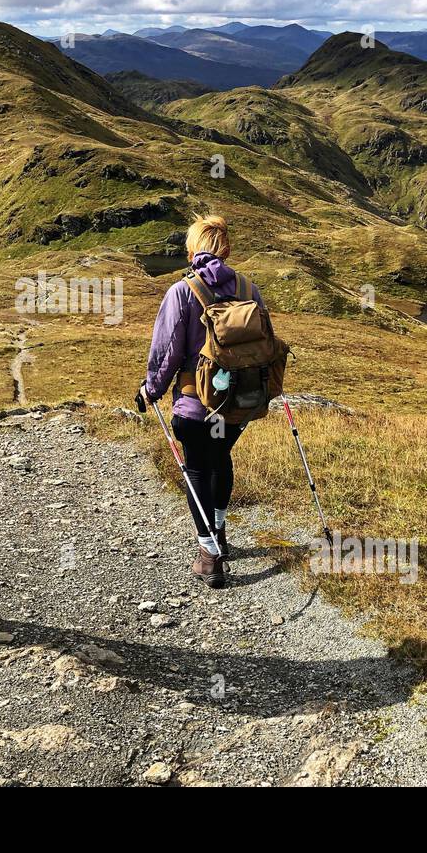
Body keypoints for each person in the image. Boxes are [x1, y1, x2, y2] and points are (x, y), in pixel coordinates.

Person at [141, 215, 266, 589]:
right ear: (226, 248)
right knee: (220, 460)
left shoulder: (182, 292)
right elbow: (262, 345)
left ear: (193, 249)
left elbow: (167, 350)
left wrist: (151, 389)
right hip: (239, 404)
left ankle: (209, 557)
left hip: (196, 405)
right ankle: (221, 534)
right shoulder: (249, 288)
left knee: (197, 469)